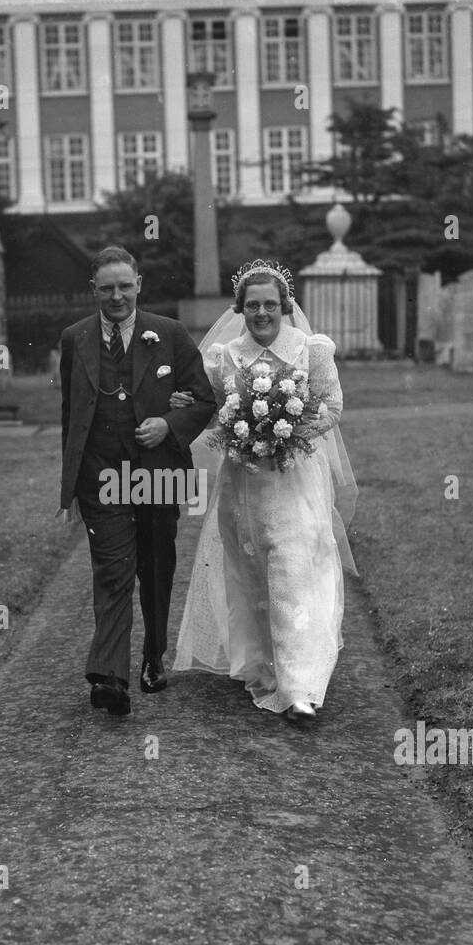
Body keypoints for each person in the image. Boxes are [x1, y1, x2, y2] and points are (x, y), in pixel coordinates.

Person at [170, 259, 359, 723]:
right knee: (254, 575)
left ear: (285, 305)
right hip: (245, 486)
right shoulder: (223, 357)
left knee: (295, 571)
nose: (261, 313)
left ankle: (300, 687)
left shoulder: (311, 350)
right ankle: (265, 666)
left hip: (296, 480)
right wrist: (190, 407)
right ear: (240, 308)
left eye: (270, 304)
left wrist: (290, 431)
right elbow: (213, 410)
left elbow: (332, 405)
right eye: (252, 305)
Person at [59, 246, 216, 715]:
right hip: (101, 476)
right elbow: (72, 414)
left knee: (154, 568)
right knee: (112, 572)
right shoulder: (75, 339)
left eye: (124, 286)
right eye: (106, 288)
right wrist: (70, 486)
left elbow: (204, 400)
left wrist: (169, 424)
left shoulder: (169, 333)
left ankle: (152, 657)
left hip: (158, 475)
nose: (116, 297)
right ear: (94, 291)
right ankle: (111, 677)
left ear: (139, 285)